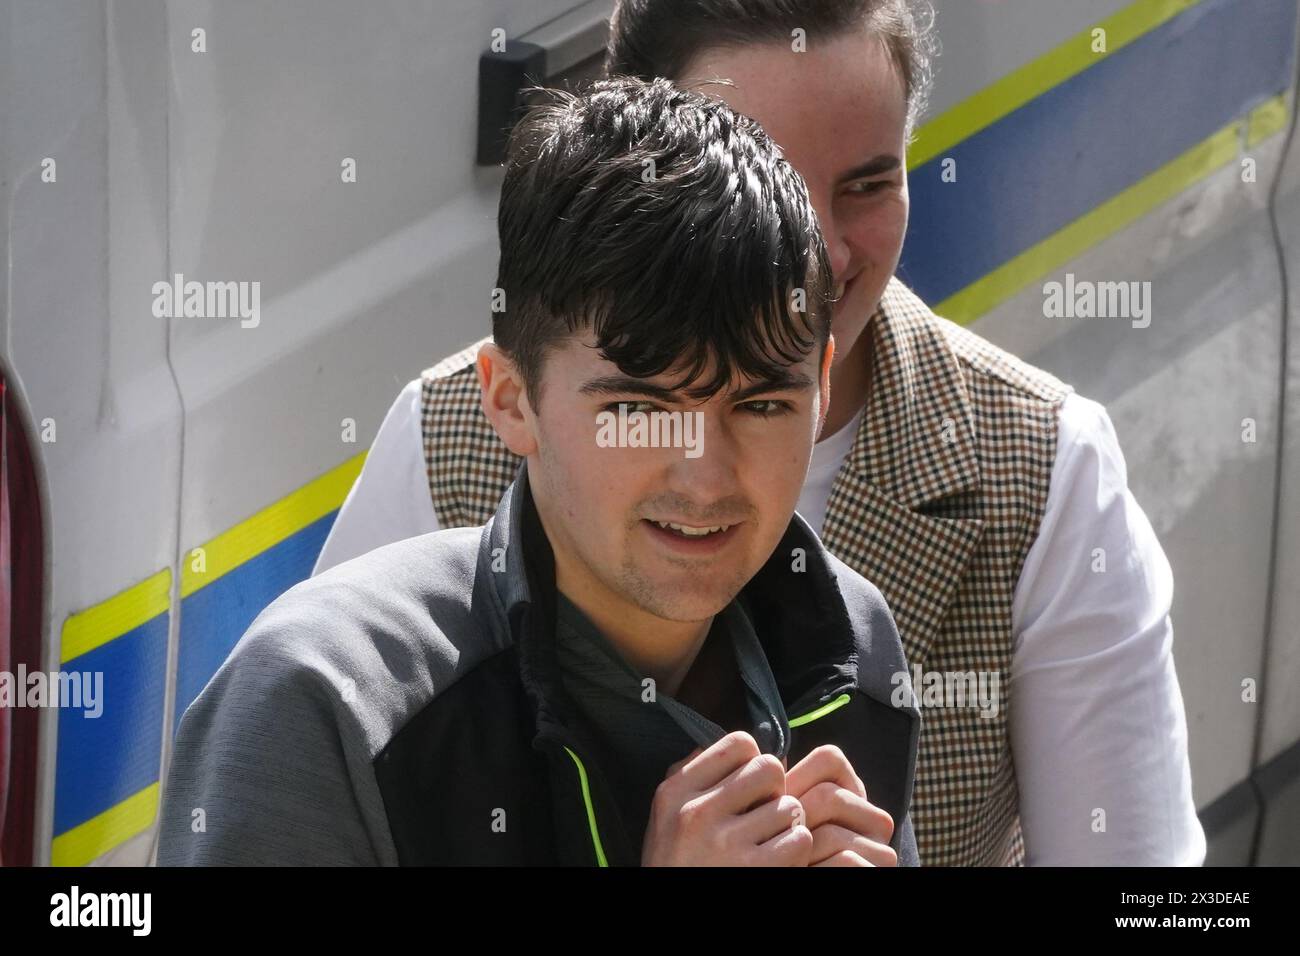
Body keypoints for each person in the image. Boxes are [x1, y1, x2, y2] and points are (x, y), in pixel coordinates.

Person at [314, 0, 1205, 866]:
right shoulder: (453, 435)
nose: (816, 253)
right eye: (759, 175)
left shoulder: (1038, 464)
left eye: (867, 185)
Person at [158, 76, 921, 866]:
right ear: (510, 399)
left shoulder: (848, 649)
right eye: (638, 412)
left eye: (762, 407)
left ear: (823, 382)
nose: (706, 480)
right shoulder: (326, 702)